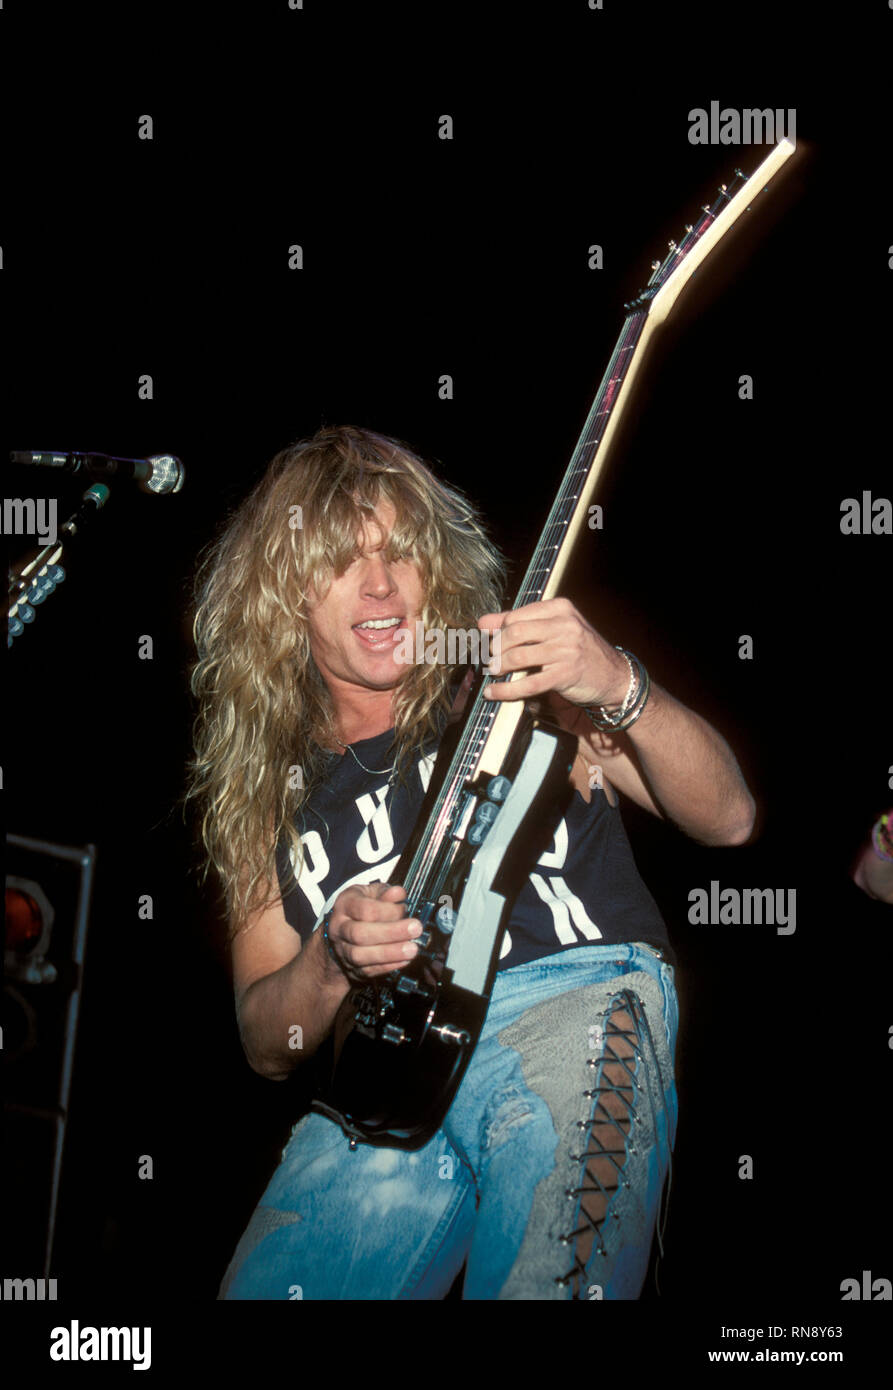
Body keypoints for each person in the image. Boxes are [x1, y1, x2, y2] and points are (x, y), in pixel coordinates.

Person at [187, 424, 756, 1300]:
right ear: (283, 593)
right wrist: (328, 957)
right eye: (342, 560)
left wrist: (614, 682)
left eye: (401, 554)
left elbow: (727, 818)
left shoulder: (510, 684)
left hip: (571, 998)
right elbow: (268, 1041)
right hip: (382, 1079)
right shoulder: (264, 793)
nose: (380, 585)